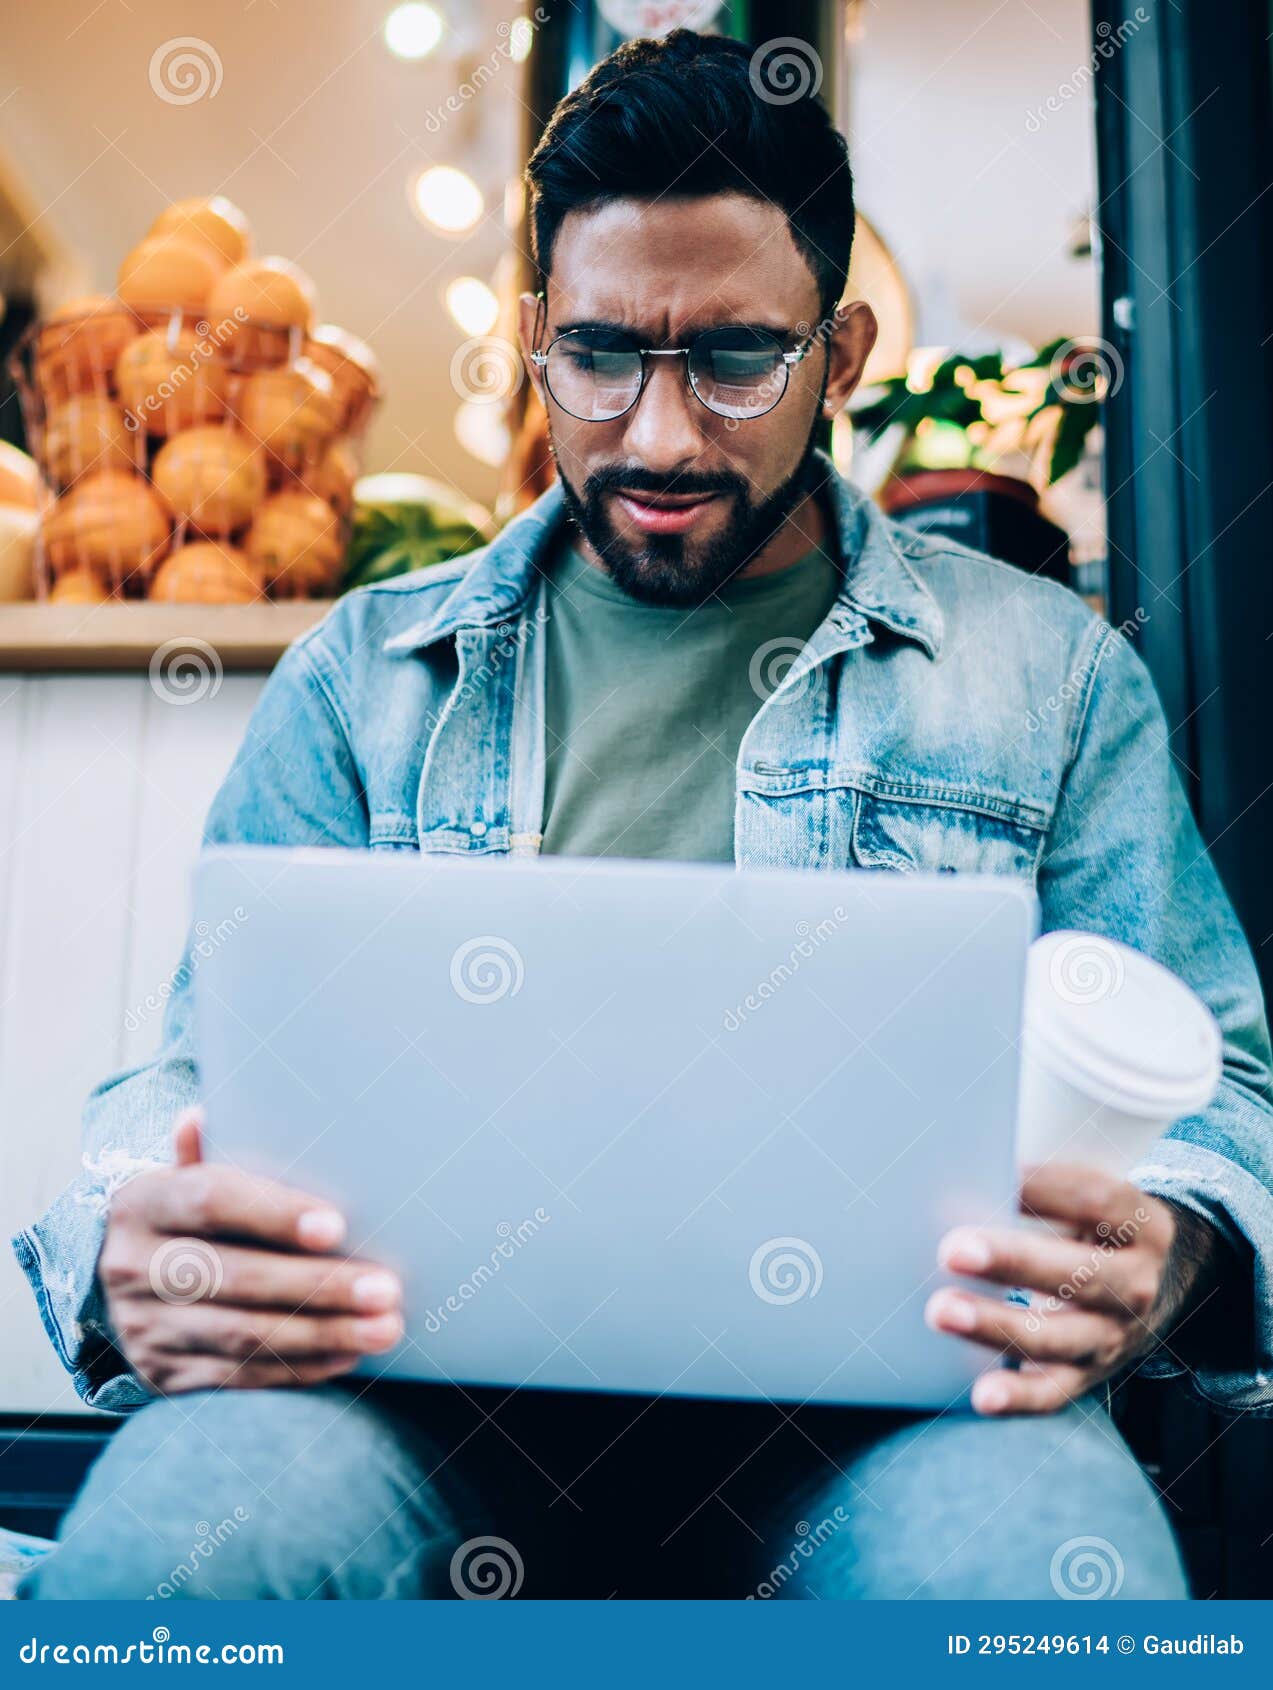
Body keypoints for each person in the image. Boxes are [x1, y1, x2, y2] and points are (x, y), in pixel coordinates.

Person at [16, 30, 1273, 1601]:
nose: (662, 435)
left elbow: (1218, 1086)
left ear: (846, 350)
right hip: (409, 1408)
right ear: (533, 336)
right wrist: (141, 1230)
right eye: (600, 356)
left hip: (903, 1419)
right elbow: (190, 1079)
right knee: (163, 1563)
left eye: (736, 359)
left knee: (1035, 1579)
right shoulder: (363, 673)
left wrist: (1166, 1251)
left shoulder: (1050, 676)